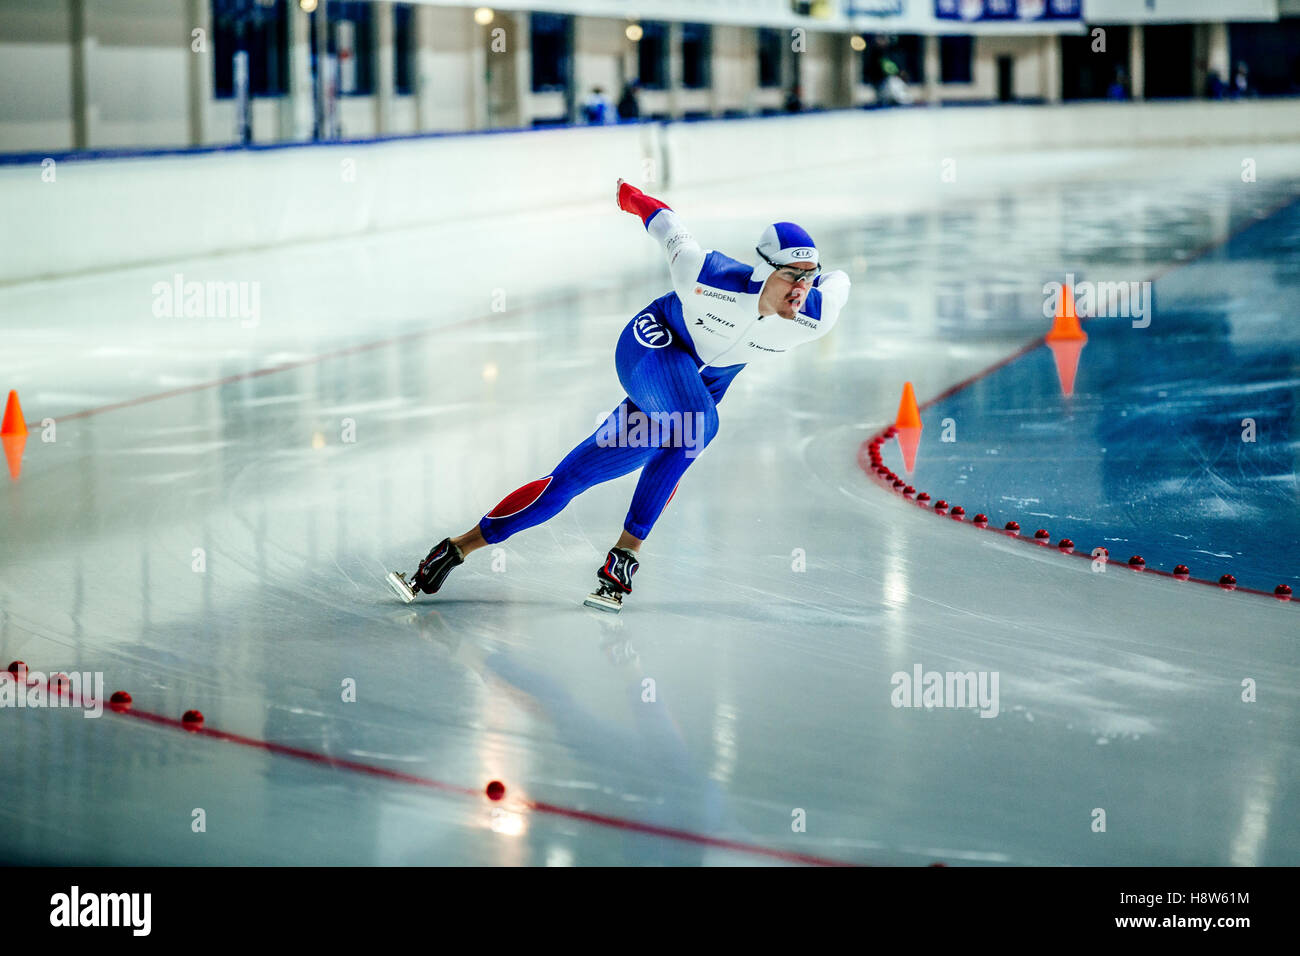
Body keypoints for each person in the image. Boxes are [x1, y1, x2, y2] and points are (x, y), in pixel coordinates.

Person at [386, 180, 851, 612]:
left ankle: (452, 551)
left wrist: (821, 279)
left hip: (690, 390)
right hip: (652, 348)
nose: (803, 289)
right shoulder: (707, 276)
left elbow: (840, 283)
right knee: (698, 424)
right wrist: (631, 196)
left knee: (569, 480)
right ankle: (626, 553)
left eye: (811, 277)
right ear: (765, 270)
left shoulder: (815, 314)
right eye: (794, 276)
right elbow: (668, 227)